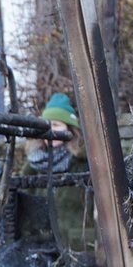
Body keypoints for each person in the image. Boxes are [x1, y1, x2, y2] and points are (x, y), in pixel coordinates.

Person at [22, 92, 93, 252]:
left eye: (56, 125)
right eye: (46, 124)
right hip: (40, 248)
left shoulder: (82, 163)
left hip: (76, 247)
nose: (50, 130)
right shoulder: (33, 164)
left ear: (69, 129)